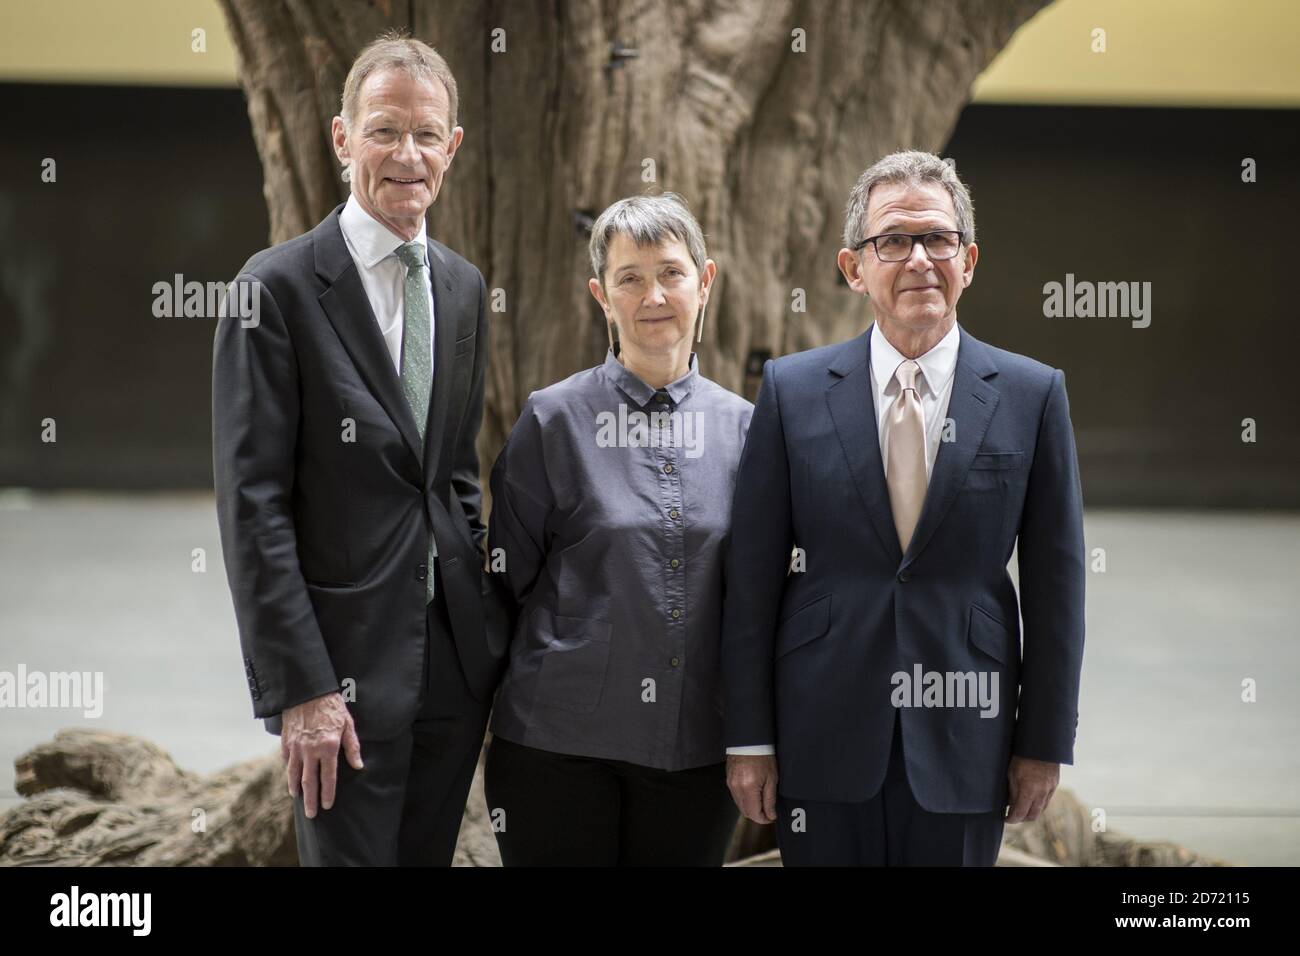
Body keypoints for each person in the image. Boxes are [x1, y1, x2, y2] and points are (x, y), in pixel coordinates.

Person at [722, 149, 1086, 866]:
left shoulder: (1031, 395)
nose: (919, 258)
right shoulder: (792, 391)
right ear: (854, 268)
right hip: (821, 726)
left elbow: (1057, 586)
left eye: (938, 238)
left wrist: (1043, 743)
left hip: (966, 732)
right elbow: (752, 577)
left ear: (969, 258)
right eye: (893, 240)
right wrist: (750, 738)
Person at [212, 31, 508, 866]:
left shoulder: (462, 286)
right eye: (383, 130)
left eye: (425, 134)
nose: (405, 154)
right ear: (342, 140)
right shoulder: (270, 292)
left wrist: (476, 630)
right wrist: (301, 688)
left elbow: (452, 478)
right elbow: (252, 508)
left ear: (451, 148)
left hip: (451, 674)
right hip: (337, 681)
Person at [484, 193, 752, 865]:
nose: (653, 294)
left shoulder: (749, 431)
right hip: (556, 749)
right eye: (629, 277)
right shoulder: (552, 420)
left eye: (670, 272)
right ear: (601, 296)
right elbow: (505, 579)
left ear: (705, 281)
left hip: (694, 753)